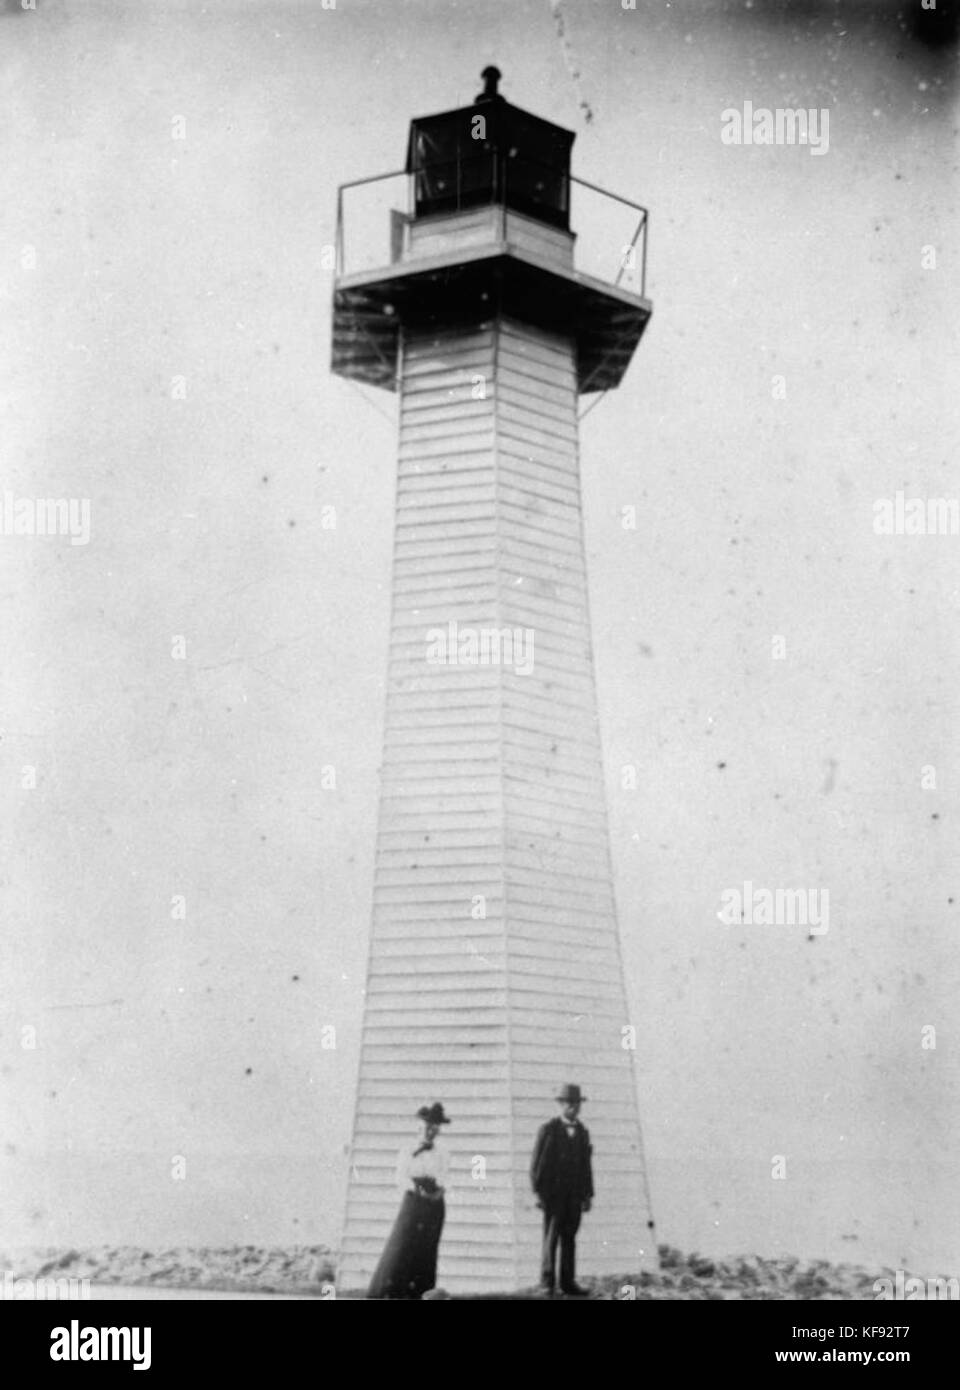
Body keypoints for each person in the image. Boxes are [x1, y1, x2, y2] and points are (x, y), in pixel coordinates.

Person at [367, 1102, 450, 1299]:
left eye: (434, 1128)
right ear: (419, 1127)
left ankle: (419, 1291)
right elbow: (400, 1178)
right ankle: (390, 1292)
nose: (430, 1131)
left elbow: (445, 1177)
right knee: (403, 1245)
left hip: (434, 1204)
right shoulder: (407, 1150)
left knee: (427, 1248)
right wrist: (417, 1189)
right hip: (414, 1202)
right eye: (427, 1127)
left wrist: (439, 1192)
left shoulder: (443, 1153)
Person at [530, 1083, 593, 1297]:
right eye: (568, 1103)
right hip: (554, 1195)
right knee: (551, 1237)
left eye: (576, 1104)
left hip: (574, 1196)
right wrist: (539, 1193)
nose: (572, 1108)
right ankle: (547, 1282)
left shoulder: (583, 1133)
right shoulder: (549, 1130)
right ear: (561, 1105)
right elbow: (538, 1164)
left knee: (570, 1238)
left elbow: (586, 1166)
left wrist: (587, 1194)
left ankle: (568, 1282)